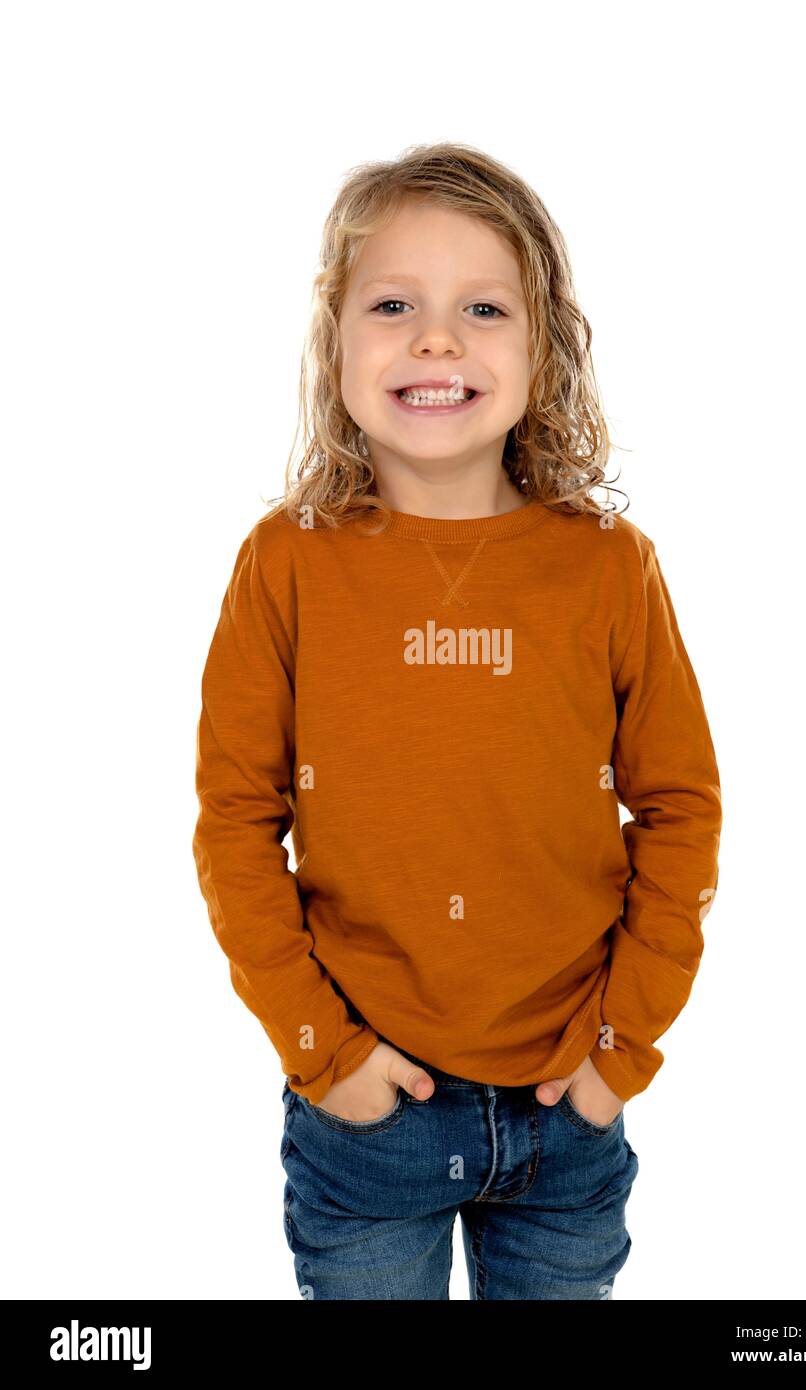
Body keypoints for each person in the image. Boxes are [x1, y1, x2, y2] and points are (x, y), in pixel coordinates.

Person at [192, 142, 722, 1300]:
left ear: (545, 348)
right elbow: (235, 822)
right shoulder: (283, 564)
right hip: (365, 1115)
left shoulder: (609, 568)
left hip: (567, 1109)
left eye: (482, 308)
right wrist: (324, 1058)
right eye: (394, 305)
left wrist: (616, 1054)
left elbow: (679, 808)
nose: (436, 339)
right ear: (335, 343)